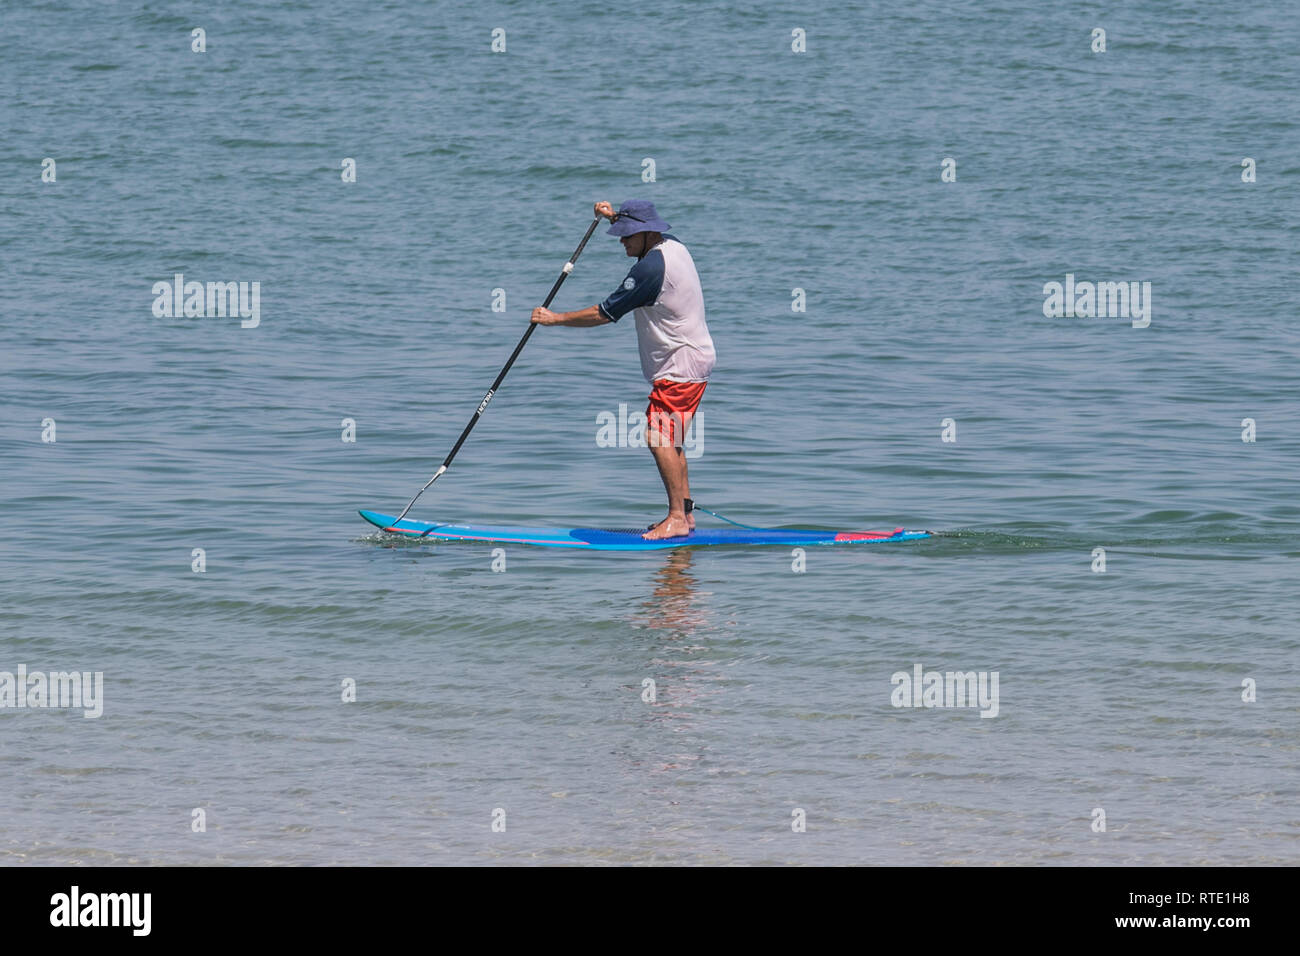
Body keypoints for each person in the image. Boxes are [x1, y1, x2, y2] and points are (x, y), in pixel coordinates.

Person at [531, 200, 715, 539]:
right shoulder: (672, 245)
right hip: (693, 359)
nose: (621, 241)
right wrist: (610, 215)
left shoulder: (649, 271)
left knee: (657, 436)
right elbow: (637, 224)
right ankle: (685, 517)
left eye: (626, 235)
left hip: (680, 365)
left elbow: (605, 313)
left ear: (645, 234)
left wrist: (554, 319)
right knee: (671, 440)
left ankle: (675, 518)